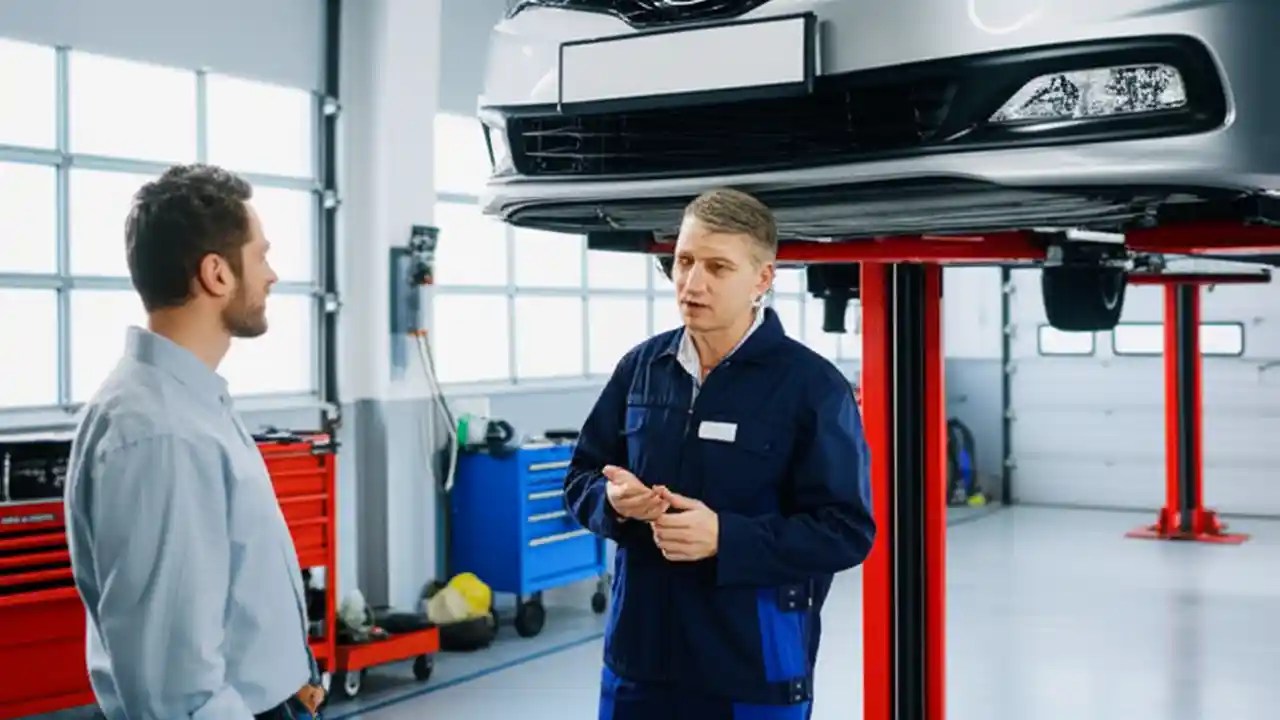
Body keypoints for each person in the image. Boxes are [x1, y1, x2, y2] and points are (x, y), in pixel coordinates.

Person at [564, 188, 876, 720]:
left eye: (717, 267)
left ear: (762, 279)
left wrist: (726, 538)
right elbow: (581, 480)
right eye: (684, 261)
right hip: (639, 660)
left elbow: (846, 530)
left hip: (751, 667)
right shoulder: (641, 369)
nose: (692, 282)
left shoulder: (811, 387)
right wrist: (613, 502)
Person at [63, 164, 326, 719]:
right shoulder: (162, 434)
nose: (272, 275)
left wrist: (282, 676)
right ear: (216, 274)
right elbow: (174, 691)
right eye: (260, 256)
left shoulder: (186, 402)